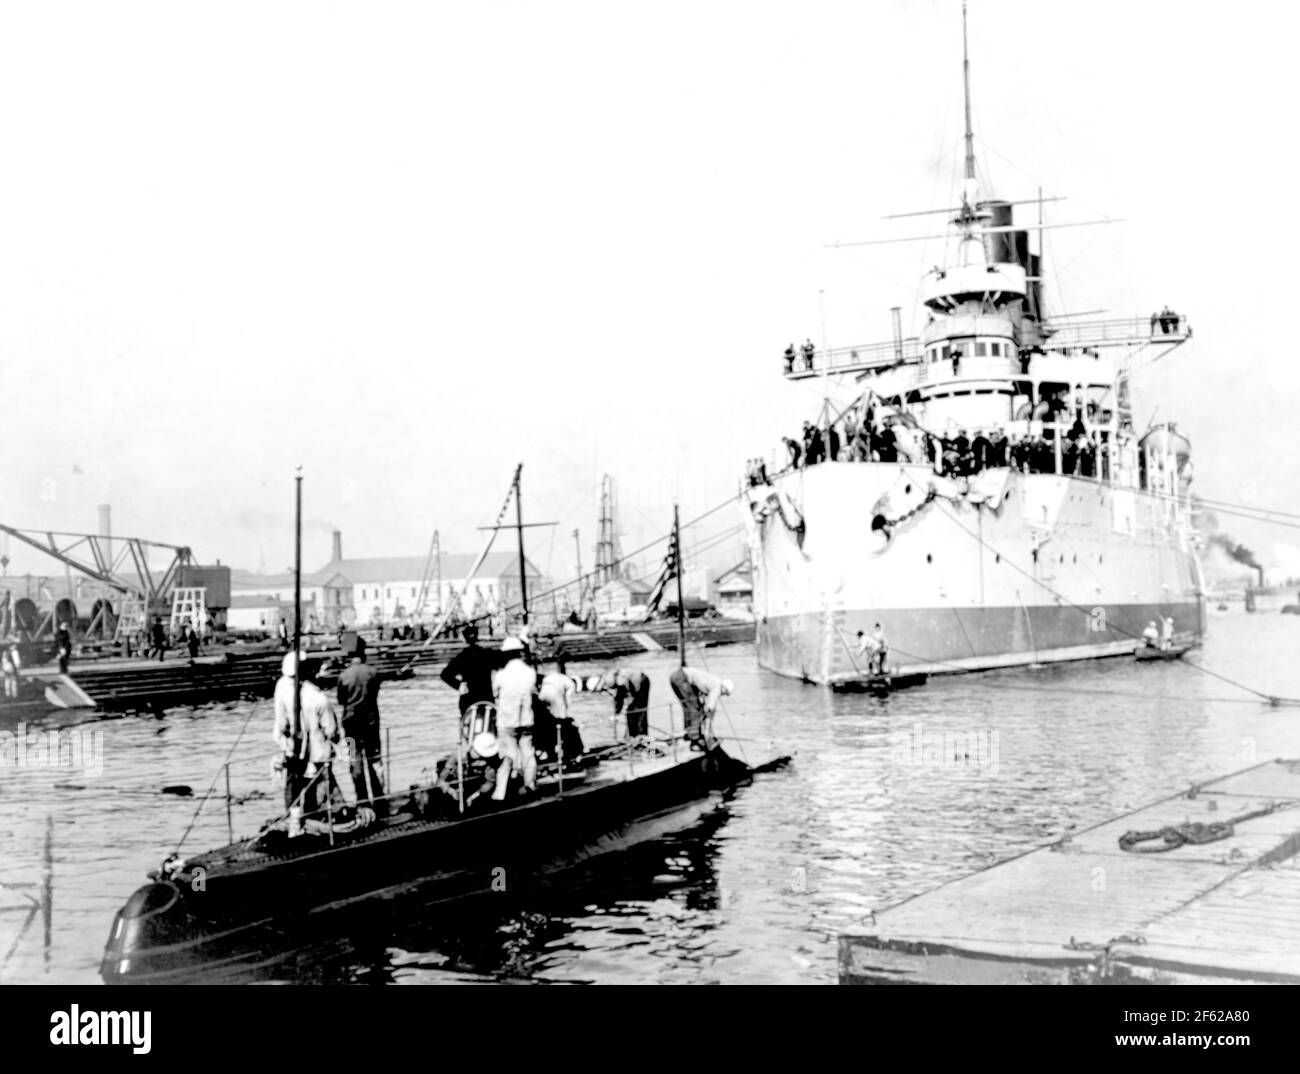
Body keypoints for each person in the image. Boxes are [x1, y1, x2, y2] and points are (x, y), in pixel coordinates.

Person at [273, 651, 341, 821]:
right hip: (316, 752)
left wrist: (284, 742)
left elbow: (281, 722)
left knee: (293, 786)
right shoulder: (319, 698)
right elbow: (332, 730)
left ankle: (293, 819)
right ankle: (315, 818)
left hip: (294, 749)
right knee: (317, 787)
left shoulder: (285, 691)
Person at [337, 635, 384, 811]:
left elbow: (341, 700)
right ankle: (380, 799)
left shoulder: (343, 676)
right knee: (374, 759)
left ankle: (361, 801)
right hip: (371, 724)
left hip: (349, 725)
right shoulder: (373, 673)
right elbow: (375, 694)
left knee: (353, 761)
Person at [492, 637, 537, 800]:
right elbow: (533, 691)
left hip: (506, 721)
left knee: (507, 755)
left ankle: (501, 792)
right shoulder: (530, 672)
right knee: (528, 752)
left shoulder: (501, 675)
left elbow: (495, 693)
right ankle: (530, 784)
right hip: (526, 719)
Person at [440, 624, 502, 715]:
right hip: (485, 696)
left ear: (465, 639)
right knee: (489, 723)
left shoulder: (462, 657)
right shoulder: (487, 654)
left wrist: (459, 685)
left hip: (468, 697)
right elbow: (501, 665)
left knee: (467, 725)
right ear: (477, 636)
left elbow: (445, 675)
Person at [668, 666, 733, 751]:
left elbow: (704, 700)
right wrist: (708, 723)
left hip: (676, 677)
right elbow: (710, 707)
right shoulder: (717, 686)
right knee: (694, 709)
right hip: (683, 677)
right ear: (724, 688)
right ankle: (695, 740)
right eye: (725, 693)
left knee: (688, 707)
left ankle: (690, 733)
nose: (722, 695)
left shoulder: (712, 681)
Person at [603, 666, 651, 739]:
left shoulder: (620, 680)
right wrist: (616, 713)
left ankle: (640, 735)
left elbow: (628, 693)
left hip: (641, 681)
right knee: (630, 711)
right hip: (633, 684)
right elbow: (619, 698)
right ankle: (631, 735)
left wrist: (628, 705)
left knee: (638, 710)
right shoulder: (613, 680)